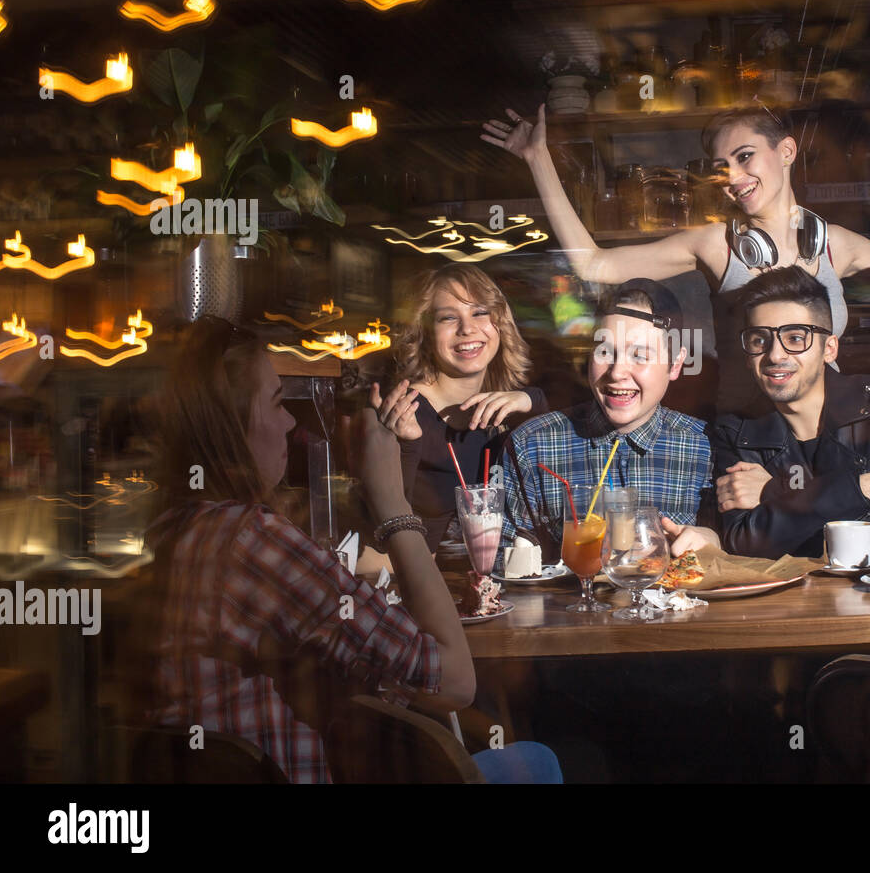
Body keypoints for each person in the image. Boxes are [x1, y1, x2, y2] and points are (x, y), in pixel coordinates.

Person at [144, 316, 560, 783]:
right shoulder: (251, 541)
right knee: (536, 764)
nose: (287, 423)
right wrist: (391, 503)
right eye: (278, 402)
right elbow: (453, 682)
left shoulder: (177, 530)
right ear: (232, 424)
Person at [481, 103, 870, 414]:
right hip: (748, 438)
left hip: (831, 430)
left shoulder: (835, 244)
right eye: (722, 168)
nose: (733, 177)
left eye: (745, 156)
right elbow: (592, 266)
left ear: (787, 151)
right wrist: (537, 159)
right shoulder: (716, 245)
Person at [710, 267, 870, 561]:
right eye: (759, 340)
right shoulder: (736, 431)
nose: (775, 355)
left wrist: (775, 493)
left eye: (795, 338)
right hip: (785, 604)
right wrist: (865, 489)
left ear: (829, 349)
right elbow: (745, 545)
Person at [501, 279, 718, 559]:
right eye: (605, 352)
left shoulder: (705, 446)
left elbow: (729, 549)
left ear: (675, 364)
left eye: (639, 355)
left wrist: (713, 541)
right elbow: (504, 562)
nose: (617, 372)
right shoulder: (533, 445)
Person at [373, 263, 547, 550]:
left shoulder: (512, 407)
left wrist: (531, 401)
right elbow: (384, 526)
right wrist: (406, 445)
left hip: (506, 580)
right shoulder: (405, 412)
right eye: (448, 318)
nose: (467, 329)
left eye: (479, 313)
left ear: (499, 324)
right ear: (425, 332)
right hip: (432, 581)